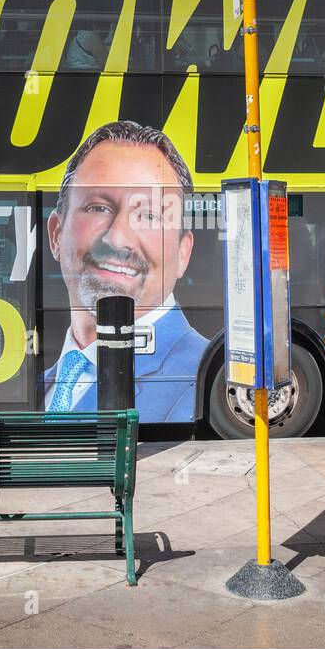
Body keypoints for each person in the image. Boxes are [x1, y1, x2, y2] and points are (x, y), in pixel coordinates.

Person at [44, 120, 207, 422]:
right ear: (56, 234)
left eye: (148, 215)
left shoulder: (201, 383)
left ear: (183, 253)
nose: (117, 239)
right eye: (97, 208)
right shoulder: (44, 382)